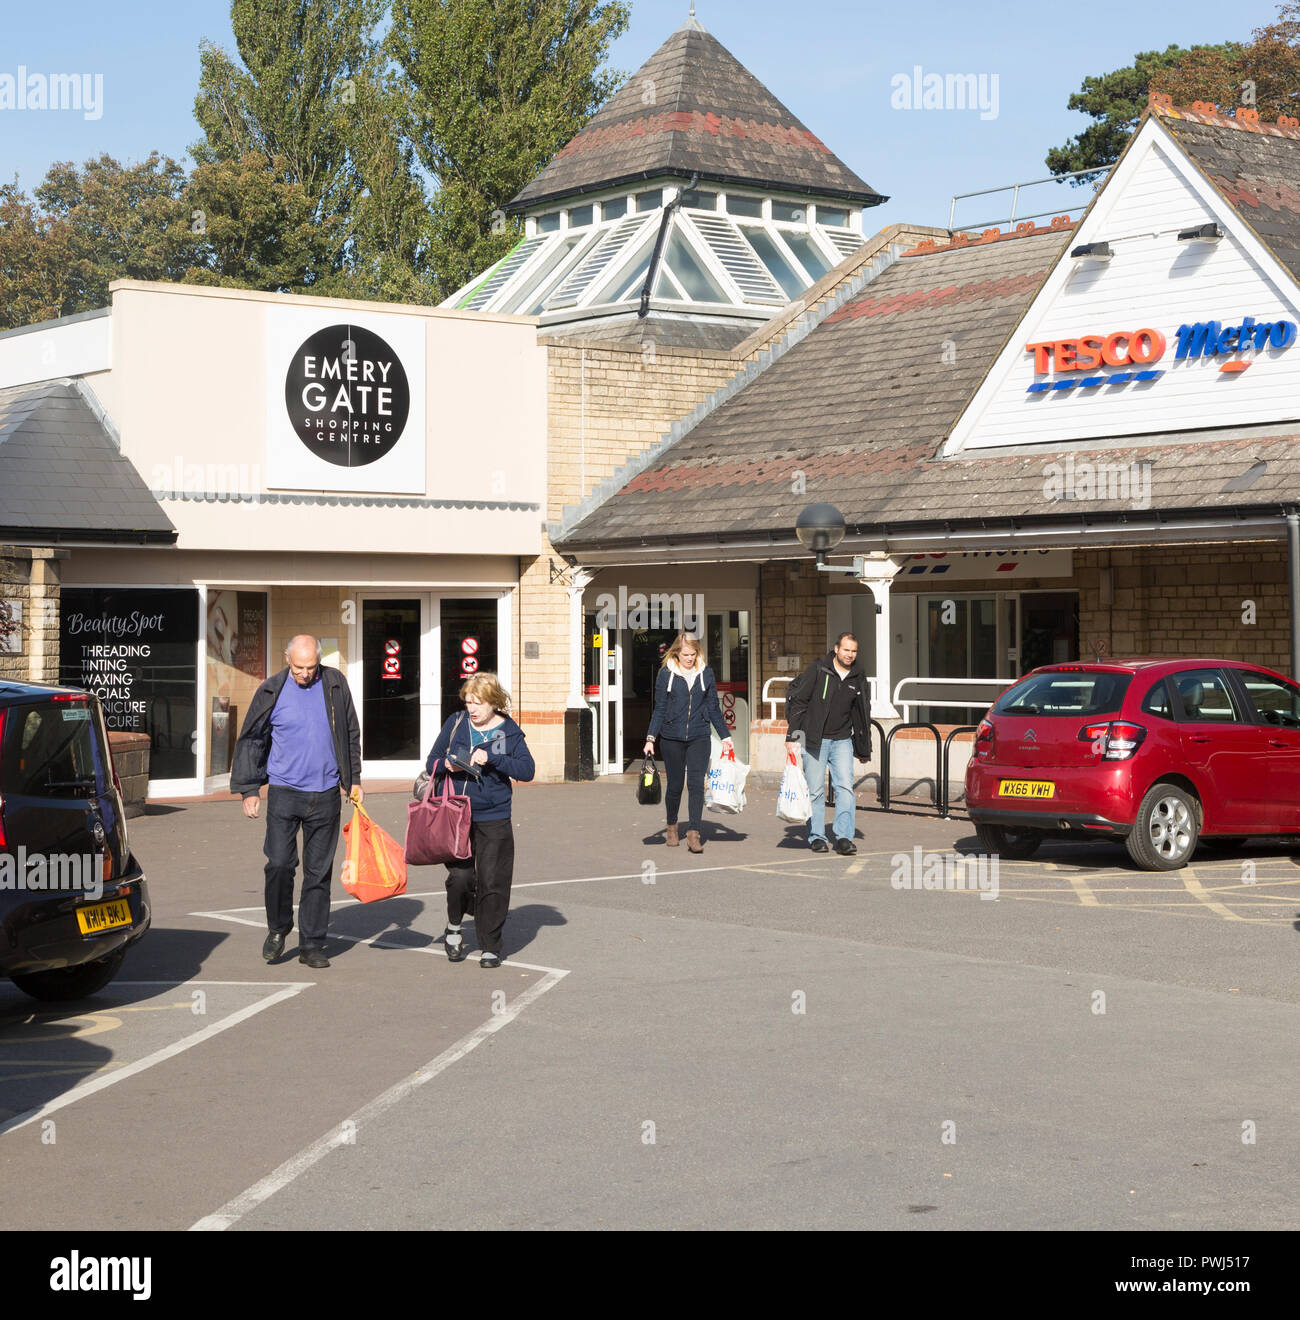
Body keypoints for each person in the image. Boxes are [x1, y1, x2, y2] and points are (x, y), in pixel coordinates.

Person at [231, 635, 362, 968]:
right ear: (286, 659)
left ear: (319, 660)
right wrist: (248, 790)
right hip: (284, 793)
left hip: (326, 793)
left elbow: (350, 732)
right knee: (279, 863)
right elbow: (252, 739)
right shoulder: (272, 689)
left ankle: (312, 945)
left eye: (311, 667)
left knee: (318, 874)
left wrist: (354, 779)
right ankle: (278, 928)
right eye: (299, 667)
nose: (305, 673)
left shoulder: (334, 684)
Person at [425, 673, 534, 969]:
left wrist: (494, 759)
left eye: (479, 703)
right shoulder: (457, 723)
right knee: (461, 878)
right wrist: (445, 763)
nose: (472, 708)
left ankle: (490, 946)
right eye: (469, 701)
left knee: (492, 881)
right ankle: (454, 926)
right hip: (456, 814)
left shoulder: (508, 731)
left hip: (494, 815)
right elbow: (431, 761)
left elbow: (526, 770)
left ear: (494, 703)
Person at [643, 632, 733, 854]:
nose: (689, 658)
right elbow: (660, 709)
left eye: (693, 654)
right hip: (672, 737)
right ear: (676, 652)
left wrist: (725, 736)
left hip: (699, 736)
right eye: (685, 654)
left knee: (695, 785)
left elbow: (713, 707)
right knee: (674, 786)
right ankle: (672, 827)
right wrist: (650, 738)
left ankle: (694, 833)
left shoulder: (706, 673)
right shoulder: (666, 675)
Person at [785, 633, 872, 855]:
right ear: (836, 649)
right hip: (815, 739)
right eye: (846, 650)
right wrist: (792, 737)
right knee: (815, 791)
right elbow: (799, 703)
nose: (850, 654)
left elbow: (863, 713)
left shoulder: (858, 676)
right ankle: (817, 836)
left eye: (853, 651)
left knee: (845, 788)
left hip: (842, 740)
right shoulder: (819, 669)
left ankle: (843, 837)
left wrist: (863, 747)